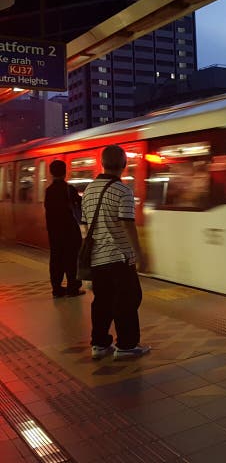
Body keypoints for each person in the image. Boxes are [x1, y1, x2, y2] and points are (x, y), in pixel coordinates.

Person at [82, 145, 150, 361]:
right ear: (124, 165)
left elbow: (85, 226)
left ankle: (100, 344)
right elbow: (127, 225)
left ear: (102, 163)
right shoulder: (123, 191)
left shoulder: (89, 190)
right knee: (129, 299)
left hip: (97, 258)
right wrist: (139, 254)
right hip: (120, 258)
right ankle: (127, 346)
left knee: (101, 301)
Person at [44, 160, 85, 298]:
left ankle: (56, 289)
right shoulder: (69, 189)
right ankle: (73, 288)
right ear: (65, 172)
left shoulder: (48, 191)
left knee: (56, 259)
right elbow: (80, 204)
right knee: (71, 259)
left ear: (50, 173)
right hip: (69, 231)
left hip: (54, 232)